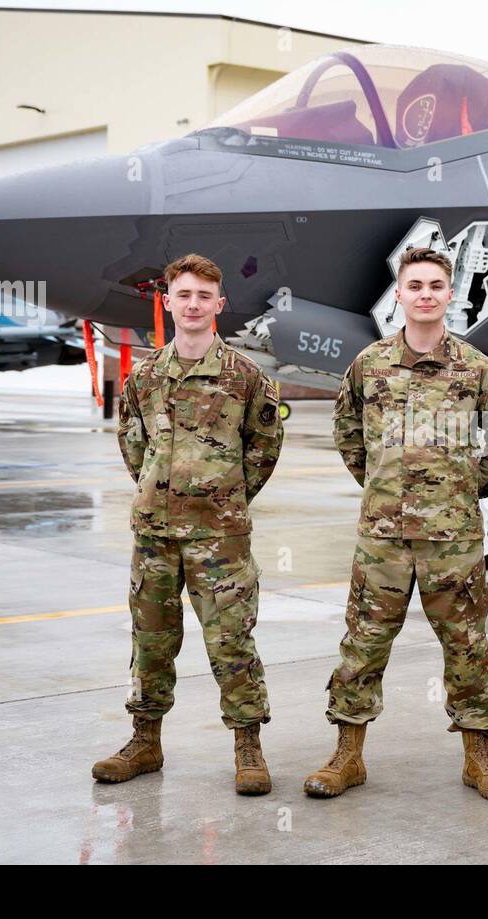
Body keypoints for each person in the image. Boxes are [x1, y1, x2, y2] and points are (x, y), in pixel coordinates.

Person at [303, 247, 488, 802]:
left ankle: (480, 757)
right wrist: (380, 486)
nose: (425, 294)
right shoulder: (370, 365)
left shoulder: (476, 369)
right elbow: (349, 433)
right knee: (363, 644)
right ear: (398, 295)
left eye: (435, 285)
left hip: (454, 541)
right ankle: (347, 756)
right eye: (414, 285)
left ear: (451, 295)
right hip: (383, 540)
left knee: (466, 644)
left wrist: (465, 489)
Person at [92, 252, 283, 795]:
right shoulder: (146, 375)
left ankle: (248, 746)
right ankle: (145, 741)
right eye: (184, 294)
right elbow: (133, 442)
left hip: (219, 539)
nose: (193, 304)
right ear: (168, 301)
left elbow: (263, 448)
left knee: (231, 641)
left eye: (204, 295)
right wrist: (159, 489)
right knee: (151, 639)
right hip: (153, 535)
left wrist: (224, 499)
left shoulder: (245, 376)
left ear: (219, 304)